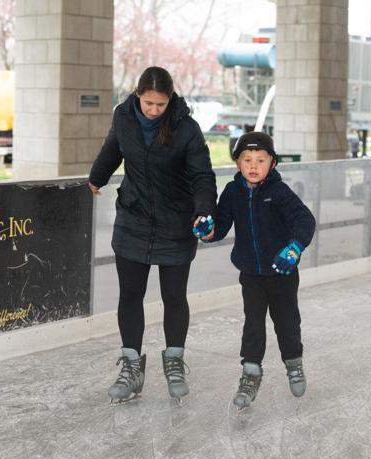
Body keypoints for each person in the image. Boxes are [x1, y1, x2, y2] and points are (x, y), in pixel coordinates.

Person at [88, 67, 217, 404]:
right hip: (133, 218)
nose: (154, 110)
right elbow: (112, 150)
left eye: (161, 104)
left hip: (175, 223)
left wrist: (204, 210)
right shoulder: (124, 117)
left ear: (170, 99)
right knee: (130, 294)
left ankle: (173, 360)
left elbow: (203, 175)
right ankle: (131, 367)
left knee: (174, 297)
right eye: (149, 103)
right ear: (138, 95)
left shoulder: (186, 129)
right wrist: (96, 178)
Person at [199, 131, 316, 409]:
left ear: (272, 164)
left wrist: (294, 248)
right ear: (237, 163)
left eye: (260, 160)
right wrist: (207, 231)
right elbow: (221, 226)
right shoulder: (232, 192)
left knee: (287, 323)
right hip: (251, 274)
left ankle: (293, 362)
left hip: (282, 274)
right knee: (253, 324)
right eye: (247, 159)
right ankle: (251, 373)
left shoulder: (279, 192)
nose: (253, 166)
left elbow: (305, 221)